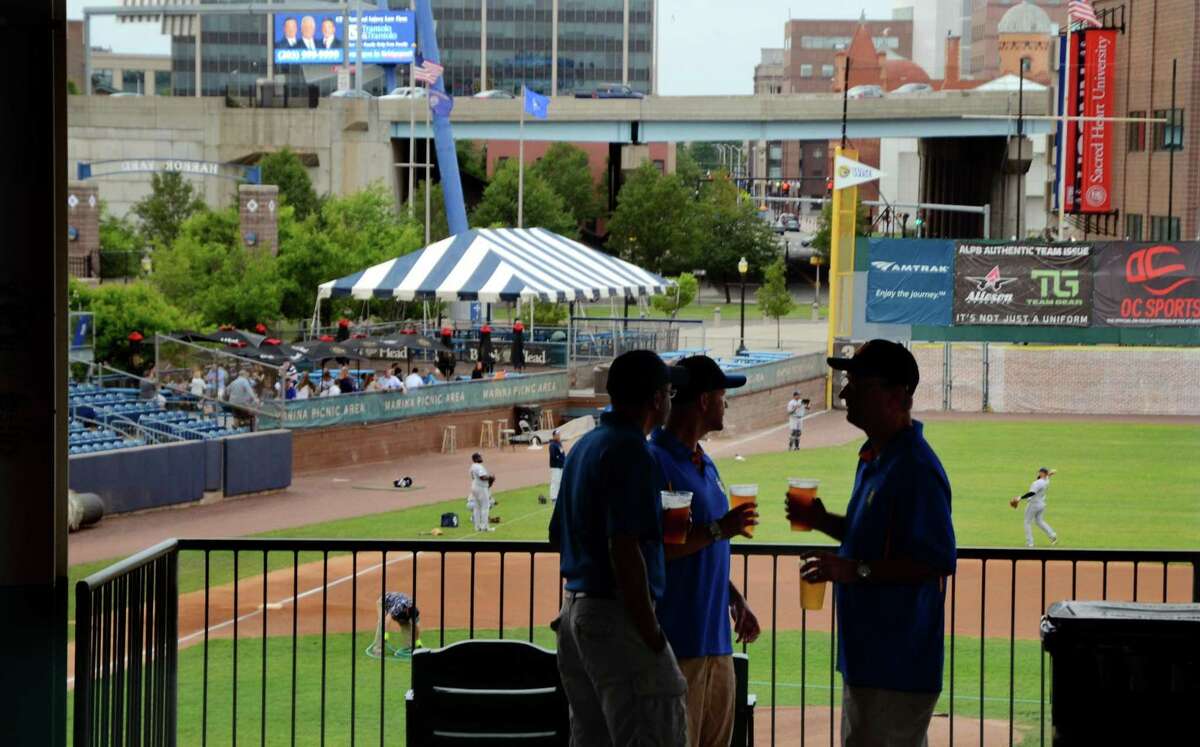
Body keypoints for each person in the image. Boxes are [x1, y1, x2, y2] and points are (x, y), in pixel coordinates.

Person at [788, 339, 956, 747]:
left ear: (898, 395)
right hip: (869, 659)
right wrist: (823, 521)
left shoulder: (915, 467)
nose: (845, 391)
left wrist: (853, 570)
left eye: (858, 383)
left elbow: (937, 560)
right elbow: (873, 538)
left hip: (897, 664)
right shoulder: (874, 457)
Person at [548, 349, 691, 746]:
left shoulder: (586, 446)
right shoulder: (632, 451)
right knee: (655, 727)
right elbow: (624, 549)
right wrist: (651, 634)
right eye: (668, 392)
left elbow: (556, 535)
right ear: (657, 399)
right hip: (617, 618)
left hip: (575, 616)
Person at [648, 355, 760, 747]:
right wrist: (720, 528)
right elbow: (665, 549)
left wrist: (733, 597)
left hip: (716, 641)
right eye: (721, 395)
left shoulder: (703, 461)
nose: (725, 403)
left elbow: (700, 545)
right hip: (679, 643)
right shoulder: (658, 461)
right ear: (702, 402)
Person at [1012, 467, 1059, 547]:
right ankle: (1053, 535)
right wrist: (1050, 473)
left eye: (1039, 472)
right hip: (1041, 504)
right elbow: (1047, 476)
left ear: (1042, 473)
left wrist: (1020, 498)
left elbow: (1032, 493)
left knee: (1027, 522)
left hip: (1033, 504)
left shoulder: (1037, 483)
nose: (1038, 473)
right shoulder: (1046, 481)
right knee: (1039, 521)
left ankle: (1030, 543)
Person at [368, 592, 421, 656]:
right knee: (382, 623)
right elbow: (387, 619)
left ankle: (409, 648)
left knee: (407, 624)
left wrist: (418, 640)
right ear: (407, 611)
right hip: (383, 602)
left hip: (397, 607)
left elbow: (417, 626)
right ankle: (378, 650)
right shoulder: (399, 607)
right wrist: (386, 634)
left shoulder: (415, 611)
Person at [468, 453, 495, 532]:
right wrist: (490, 477)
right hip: (481, 488)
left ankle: (477, 527)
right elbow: (482, 477)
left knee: (477, 508)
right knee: (485, 507)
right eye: (479, 457)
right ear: (476, 459)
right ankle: (485, 527)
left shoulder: (472, 467)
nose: (481, 458)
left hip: (474, 487)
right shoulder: (479, 466)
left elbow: (473, 477)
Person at [547, 430, 565, 503]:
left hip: (561, 466)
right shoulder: (552, 445)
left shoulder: (559, 443)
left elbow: (562, 453)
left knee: (560, 481)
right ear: (554, 436)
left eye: (559, 434)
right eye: (557, 435)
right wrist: (561, 459)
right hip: (555, 466)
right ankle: (553, 498)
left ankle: (559, 496)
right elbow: (554, 456)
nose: (559, 436)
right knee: (555, 481)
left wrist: (564, 460)